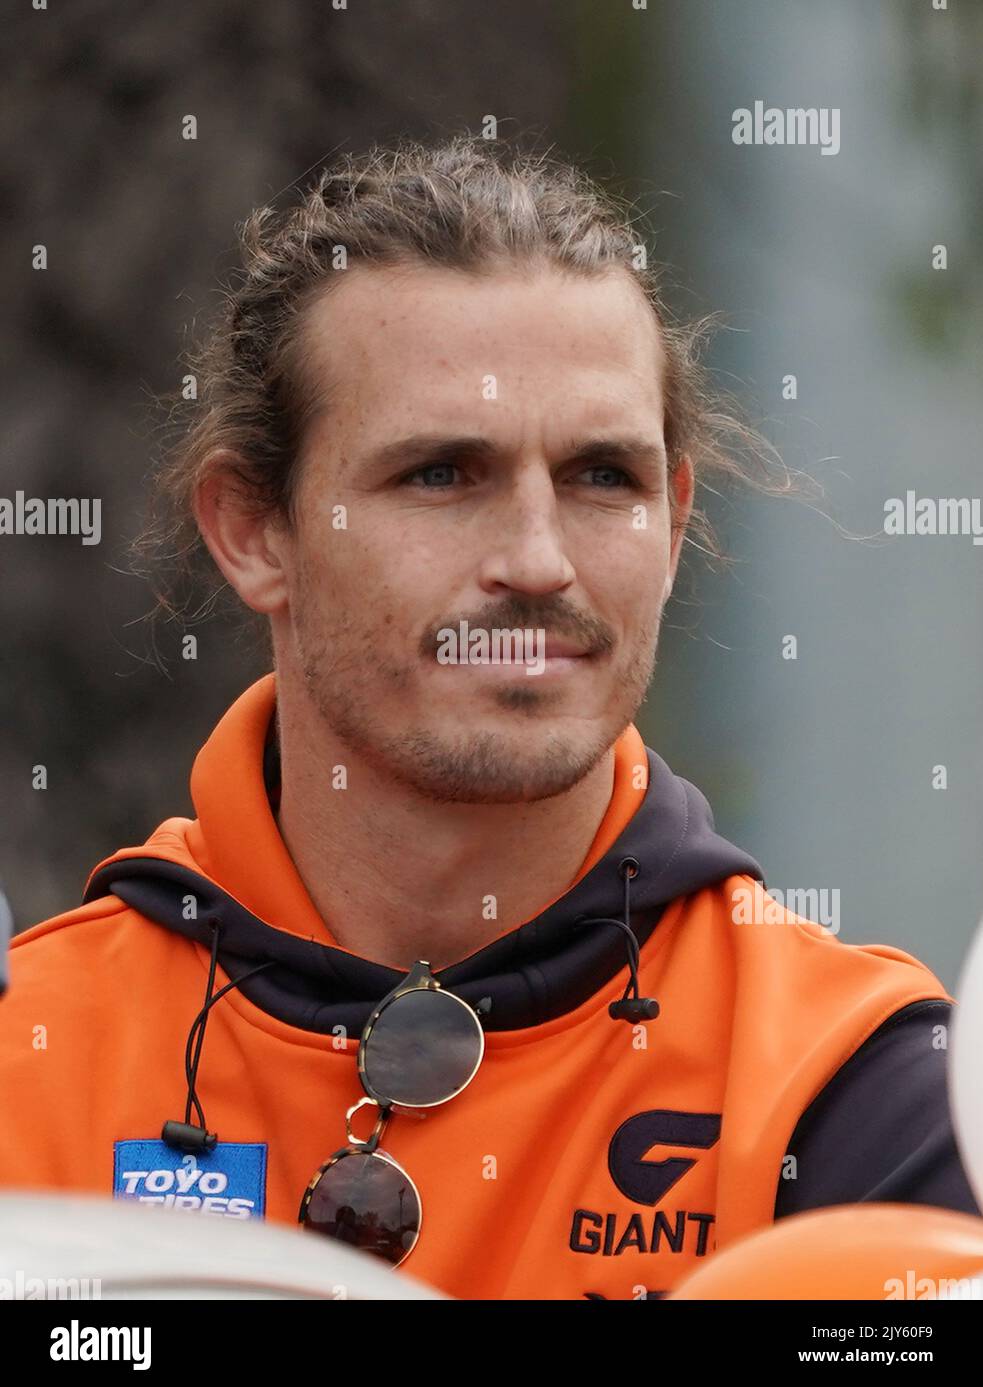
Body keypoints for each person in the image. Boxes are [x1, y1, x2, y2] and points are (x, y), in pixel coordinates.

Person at [1, 134, 977, 1301]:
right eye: (440, 474)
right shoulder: (32, 1052)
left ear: (672, 527)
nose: (533, 560)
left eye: (599, 476)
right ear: (255, 529)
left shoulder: (862, 1085)